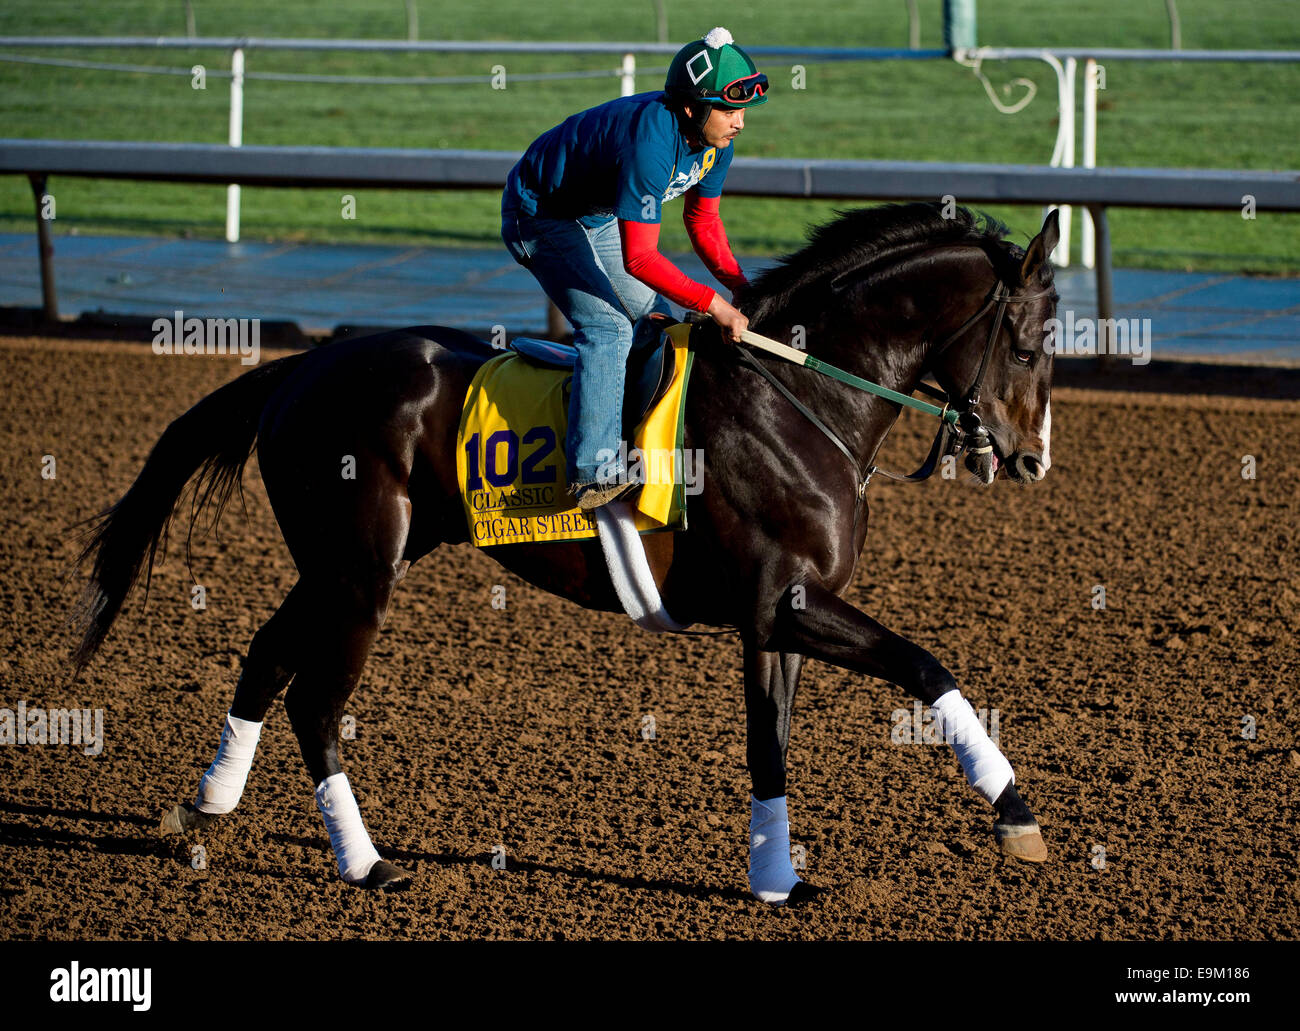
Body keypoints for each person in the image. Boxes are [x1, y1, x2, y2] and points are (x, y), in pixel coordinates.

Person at [501, 27, 766, 510]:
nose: (739, 123)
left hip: (597, 215)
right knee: (608, 329)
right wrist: (714, 304)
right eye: (729, 110)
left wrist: (740, 287)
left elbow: (703, 219)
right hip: (539, 216)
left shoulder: (716, 141)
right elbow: (640, 258)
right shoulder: (651, 142)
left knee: (655, 325)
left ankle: (635, 436)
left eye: (743, 110)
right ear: (691, 108)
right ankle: (590, 473)